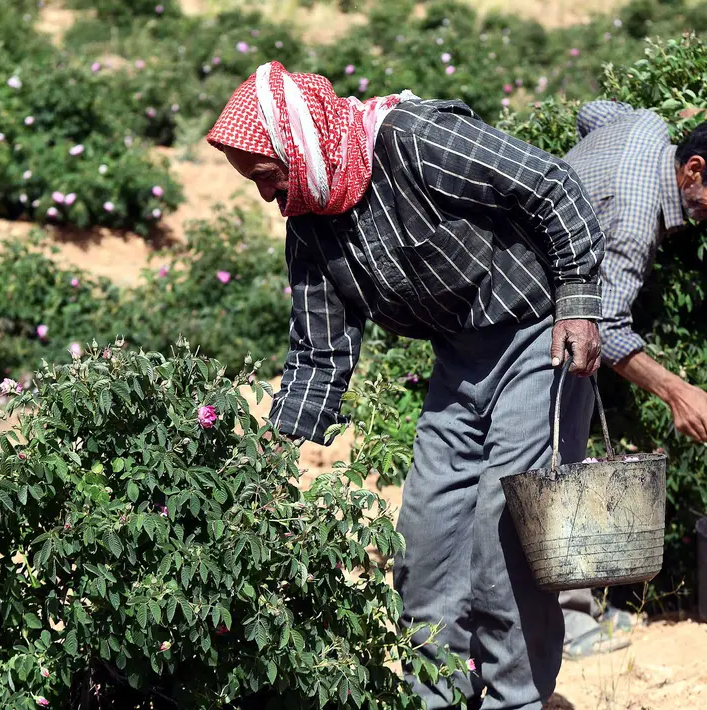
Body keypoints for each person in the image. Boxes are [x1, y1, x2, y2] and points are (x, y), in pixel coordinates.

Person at [206, 61, 607, 710]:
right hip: (458, 362)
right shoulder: (311, 219)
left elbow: (552, 184)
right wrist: (268, 459)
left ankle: (516, 699)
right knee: (424, 541)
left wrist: (580, 302)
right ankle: (436, 698)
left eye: (263, 175)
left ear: (296, 144)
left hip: (536, 336)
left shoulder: (416, 140)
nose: (263, 194)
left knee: (503, 530)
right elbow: (319, 352)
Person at [556, 101, 707, 659]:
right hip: (549, 320)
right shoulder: (633, 219)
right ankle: (571, 626)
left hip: (538, 290)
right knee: (560, 464)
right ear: (693, 169)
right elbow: (600, 327)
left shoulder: (649, 127)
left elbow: (588, 112)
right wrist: (676, 390)